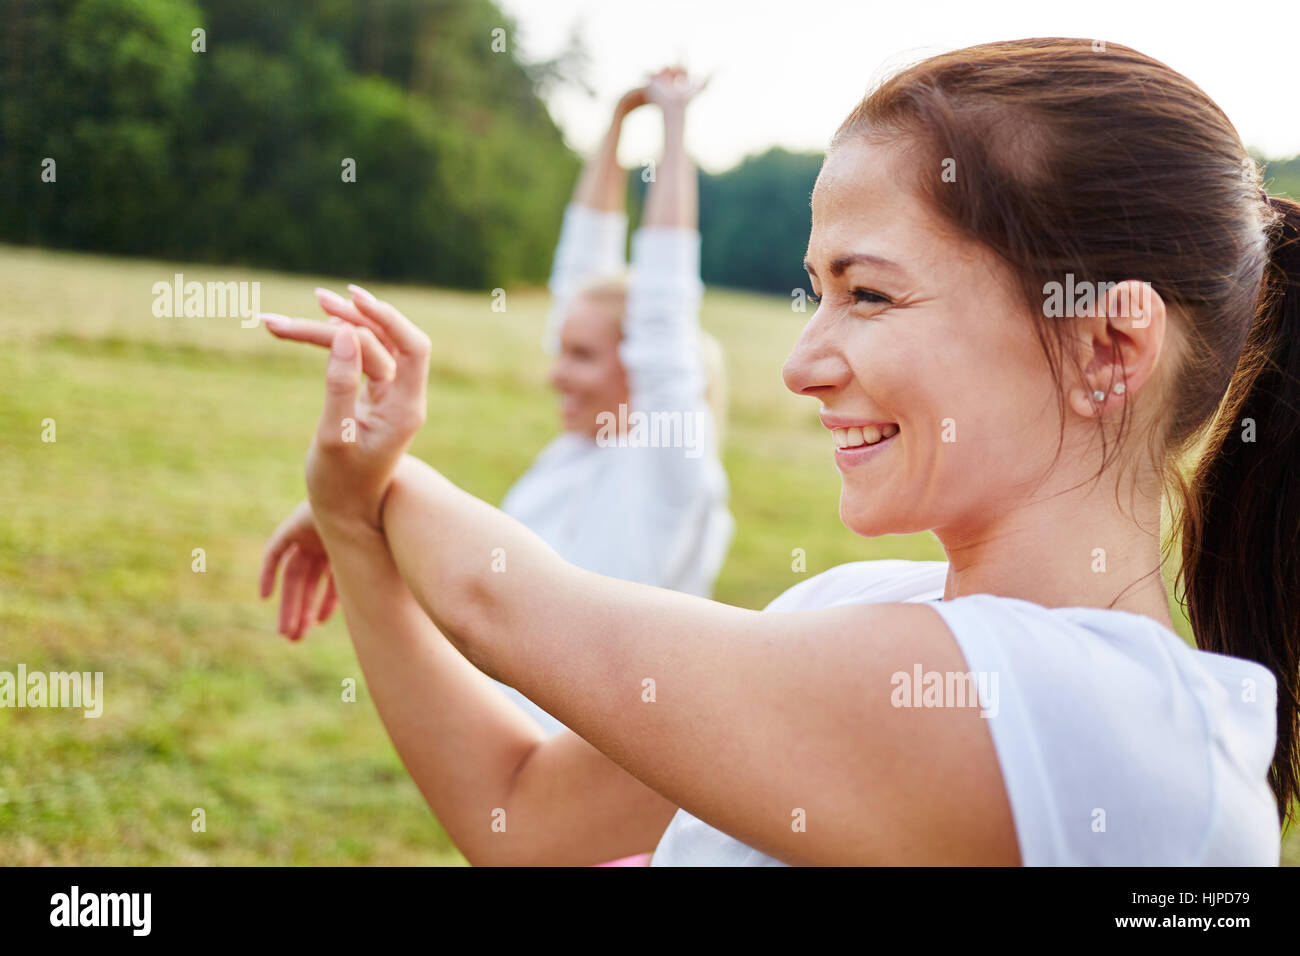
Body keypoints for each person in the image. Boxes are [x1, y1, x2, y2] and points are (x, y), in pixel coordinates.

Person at [259, 38, 1299, 865]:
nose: (800, 364)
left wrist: (383, 485)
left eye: (869, 292)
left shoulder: (1108, 722)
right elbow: (519, 811)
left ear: (1105, 343)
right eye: (819, 290)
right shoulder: (843, 615)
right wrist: (359, 522)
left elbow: (501, 604)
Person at [259, 68, 732, 864]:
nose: (555, 371)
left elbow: (661, 308)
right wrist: (615, 124)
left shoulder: (670, 472)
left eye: (581, 356)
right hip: (515, 781)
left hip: (597, 828)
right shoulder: (576, 452)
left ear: (644, 369)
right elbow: (582, 275)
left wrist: (676, 125)